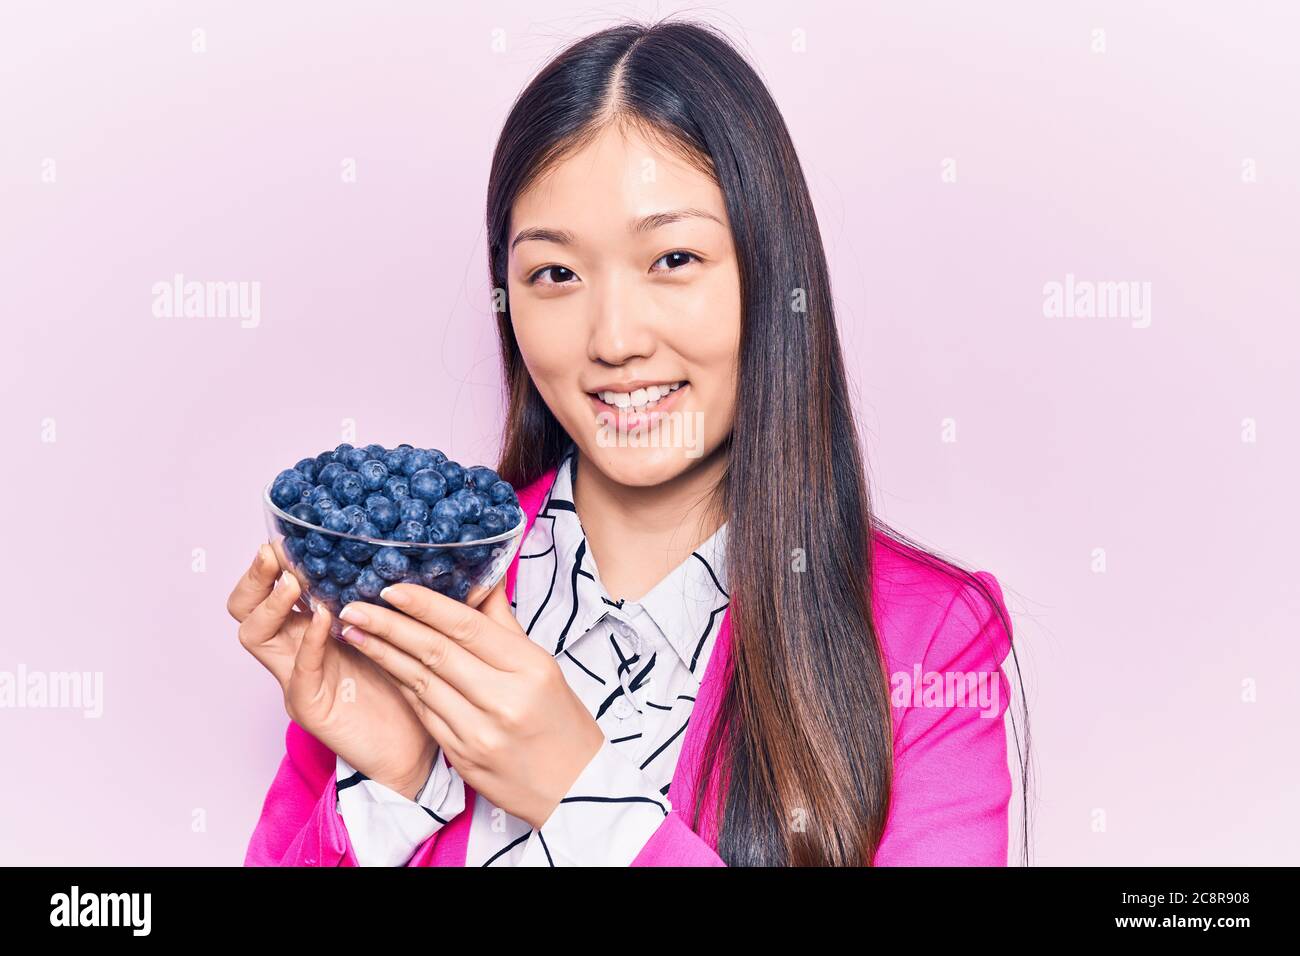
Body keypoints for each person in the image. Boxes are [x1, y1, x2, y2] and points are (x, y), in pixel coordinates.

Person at [231, 17, 1029, 867]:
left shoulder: (929, 642)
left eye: (673, 259)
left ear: (769, 273)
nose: (614, 338)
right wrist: (393, 786)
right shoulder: (412, 597)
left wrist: (579, 800)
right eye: (556, 274)